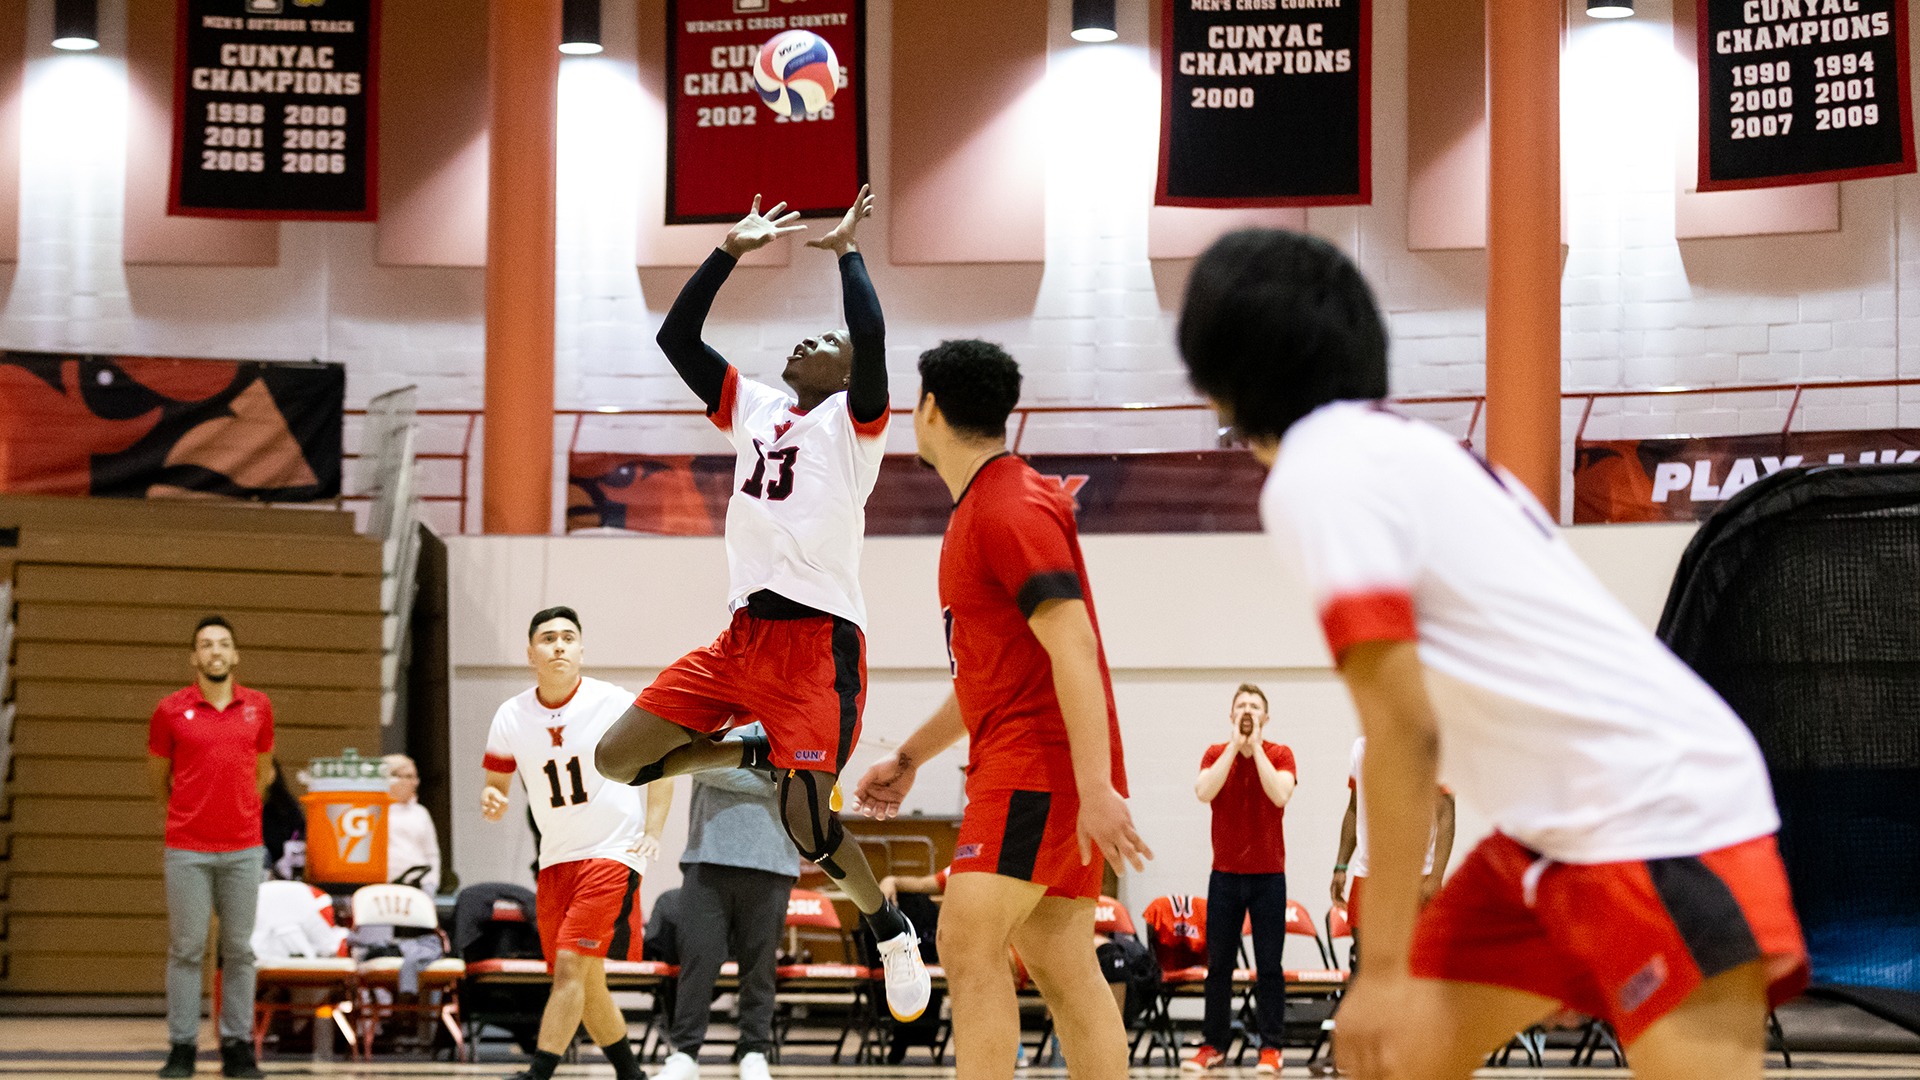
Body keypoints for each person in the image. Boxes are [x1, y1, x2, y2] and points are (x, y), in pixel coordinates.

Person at [1176, 228, 1808, 1080]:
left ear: (1217, 371)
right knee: (1392, 1062)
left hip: (1656, 809)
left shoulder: (1320, 471)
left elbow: (1403, 727)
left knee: (1386, 1031)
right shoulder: (1411, 450)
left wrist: (1384, 968)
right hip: (1549, 835)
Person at [592, 187, 931, 1022]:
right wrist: (728, 252)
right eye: (811, 332)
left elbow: (876, 337)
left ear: (849, 376)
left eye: (829, 340)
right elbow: (677, 338)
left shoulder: (855, 429)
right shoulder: (758, 408)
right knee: (616, 762)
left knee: (810, 831)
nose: (810, 338)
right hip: (742, 638)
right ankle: (749, 753)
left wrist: (850, 253)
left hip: (818, 646)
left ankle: (888, 929)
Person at [854, 339, 1150, 1080]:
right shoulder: (985, 507)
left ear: (927, 410)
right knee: (1061, 959)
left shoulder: (1007, 506)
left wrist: (1095, 789)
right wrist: (912, 757)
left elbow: (1073, 643)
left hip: (1036, 765)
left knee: (964, 940)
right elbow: (987, 680)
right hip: (1033, 760)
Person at [482, 607, 672, 1080]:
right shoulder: (511, 715)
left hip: (613, 851)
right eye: (548, 638)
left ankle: (538, 1074)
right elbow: (496, 782)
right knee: (586, 980)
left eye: (569, 637)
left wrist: (652, 830)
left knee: (570, 967)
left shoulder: (613, 703)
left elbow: (664, 759)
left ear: (582, 649)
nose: (560, 645)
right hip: (556, 858)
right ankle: (631, 1074)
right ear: (531, 654)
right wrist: (491, 798)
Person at [147, 615, 273, 1080]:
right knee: (186, 948)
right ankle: (181, 1048)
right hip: (188, 849)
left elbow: (264, 773)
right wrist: (188, 815)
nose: (215, 651)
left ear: (235, 655)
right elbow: (158, 779)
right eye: (206, 644)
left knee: (239, 950)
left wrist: (239, 811)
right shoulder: (169, 710)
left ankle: (237, 1047)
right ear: (194, 657)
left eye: (223, 644)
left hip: (243, 849)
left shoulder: (258, 707)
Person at [659, 723, 798, 1080]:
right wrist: (770, 778)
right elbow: (697, 764)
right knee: (699, 960)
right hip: (707, 856)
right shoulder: (714, 717)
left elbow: (800, 780)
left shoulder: (794, 719)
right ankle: (685, 1054)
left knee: (760, 968)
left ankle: (754, 1050)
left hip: (772, 861)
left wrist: (731, 768)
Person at [1185, 684, 1297, 1074]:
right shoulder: (1216, 754)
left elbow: (1280, 794)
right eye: (1241, 706)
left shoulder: (1280, 754)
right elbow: (1203, 791)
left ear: (1265, 717)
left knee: (1270, 966)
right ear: (1231, 715)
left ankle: (1270, 1047)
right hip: (1225, 877)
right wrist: (1235, 747)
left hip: (1269, 877)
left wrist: (1256, 749)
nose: (1247, 711)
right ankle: (1214, 1044)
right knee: (1219, 967)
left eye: (1255, 706)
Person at [1330, 737, 1455, 940]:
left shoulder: (1430, 747)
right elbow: (1354, 807)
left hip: (1416, 875)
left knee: (1414, 964)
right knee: (1366, 964)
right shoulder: (1360, 748)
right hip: (1368, 873)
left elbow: (1446, 814)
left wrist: (1436, 878)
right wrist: (1341, 866)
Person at [384, 753, 442, 895]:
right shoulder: (374, 811)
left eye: (415, 777)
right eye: (409, 777)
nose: (415, 783)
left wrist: (431, 883)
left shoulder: (421, 813)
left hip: (419, 887)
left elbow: (431, 854)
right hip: (385, 887)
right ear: (391, 779)